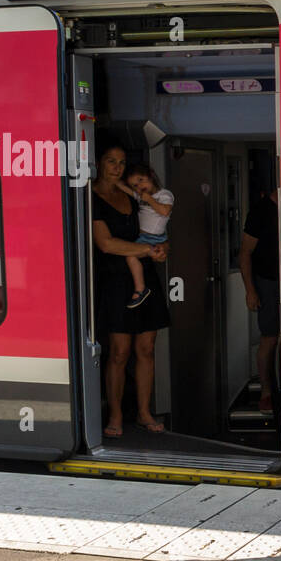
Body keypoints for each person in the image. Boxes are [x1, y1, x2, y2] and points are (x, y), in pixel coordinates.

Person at [92, 144, 172, 438]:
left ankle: (143, 412)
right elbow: (106, 244)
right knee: (119, 352)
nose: (116, 167)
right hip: (115, 279)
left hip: (145, 274)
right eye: (111, 161)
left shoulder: (135, 196)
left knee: (146, 349)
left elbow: (157, 230)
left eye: (122, 163)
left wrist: (163, 248)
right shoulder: (93, 197)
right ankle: (114, 414)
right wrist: (147, 251)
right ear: (99, 163)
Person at [240, 185, 280, 417]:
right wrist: (250, 291)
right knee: (270, 339)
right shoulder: (261, 211)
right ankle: (266, 393)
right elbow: (244, 253)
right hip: (267, 283)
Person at [119, 164, 175, 309]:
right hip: (143, 237)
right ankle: (141, 288)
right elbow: (126, 190)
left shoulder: (165, 195)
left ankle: (140, 289)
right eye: (135, 185)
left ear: (151, 175)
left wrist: (149, 199)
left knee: (130, 256)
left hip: (155, 238)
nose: (139, 186)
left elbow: (164, 211)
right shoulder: (140, 196)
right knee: (131, 256)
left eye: (141, 180)